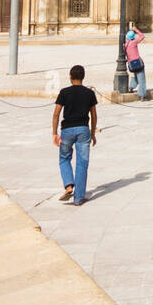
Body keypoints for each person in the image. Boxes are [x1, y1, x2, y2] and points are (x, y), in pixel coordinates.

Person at [52, 65, 97, 206]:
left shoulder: (64, 92)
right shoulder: (89, 93)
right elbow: (94, 115)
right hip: (83, 130)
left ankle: (68, 185)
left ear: (70, 77)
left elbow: (56, 113)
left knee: (64, 158)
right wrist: (93, 132)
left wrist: (54, 132)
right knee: (82, 164)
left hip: (67, 130)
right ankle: (78, 198)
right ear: (83, 77)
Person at [124, 26, 150, 99]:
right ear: (133, 37)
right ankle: (142, 95)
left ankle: (131, 88)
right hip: (138, 62)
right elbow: (142, 36)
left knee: (136, 76)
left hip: (131, 64)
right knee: (142, 79)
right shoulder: (134, 42)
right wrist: (136, 30)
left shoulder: (125, 45)